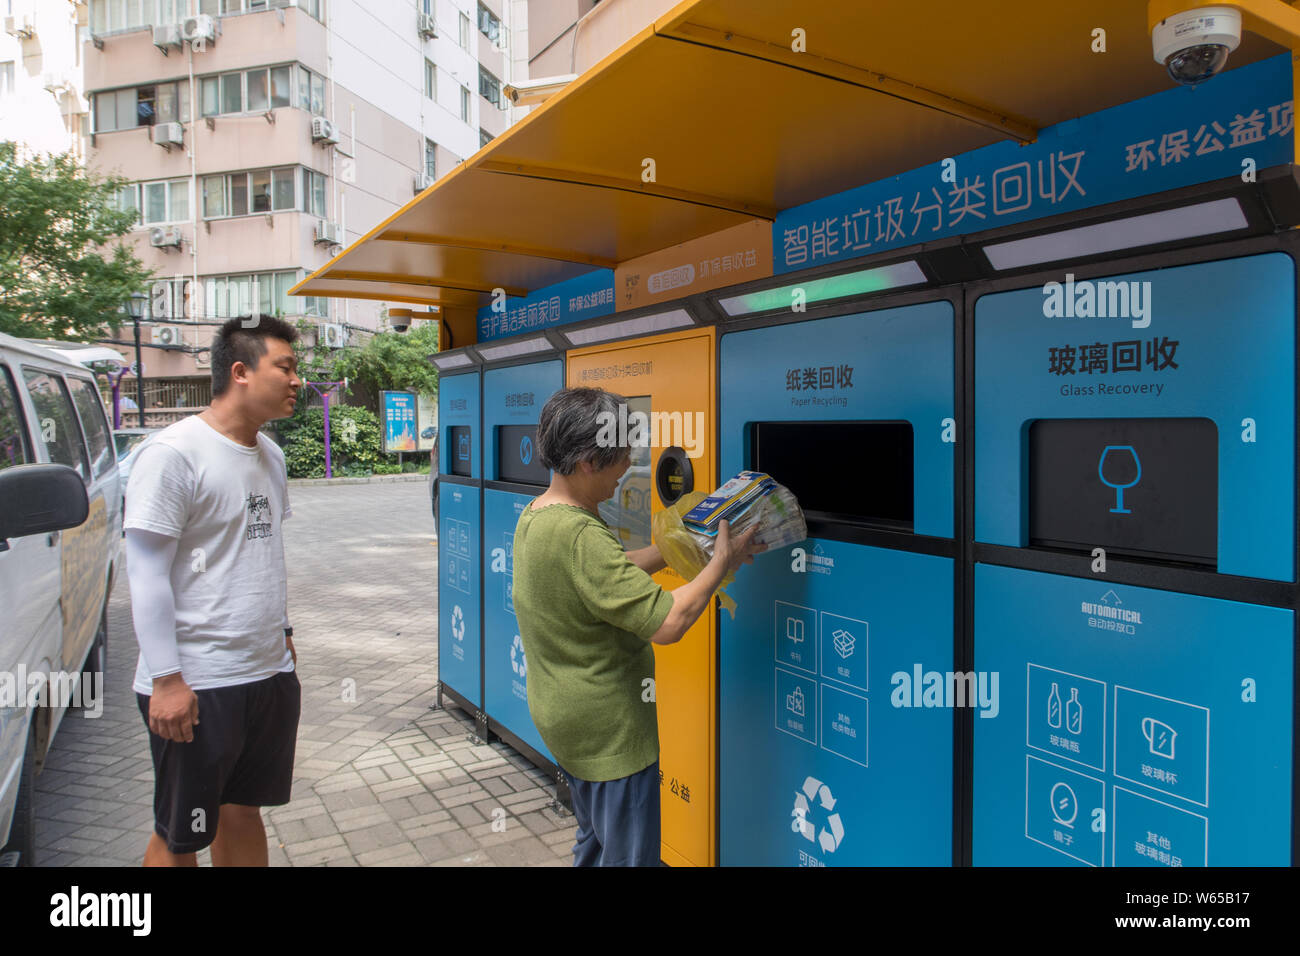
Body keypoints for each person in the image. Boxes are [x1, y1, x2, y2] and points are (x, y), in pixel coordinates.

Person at [511, 387, 759, 867]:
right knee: (629, 856)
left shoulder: (541, 515)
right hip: (611, 737)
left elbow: (607, 574)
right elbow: (669, 621)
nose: (628, 465)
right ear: (587, 460)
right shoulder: (580, 534)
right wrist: (721, 561)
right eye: (621, 455)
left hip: (567, 721)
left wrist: (675, 550)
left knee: (597, 839)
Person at [124, 315, 302, 867]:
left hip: (266, 671)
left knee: (243, 811)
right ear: (242, 371)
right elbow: (146, 573)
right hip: (197, 682)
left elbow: (261, 552)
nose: (298, 381)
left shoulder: (270, 455)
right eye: (287, 367)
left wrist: (284, 634)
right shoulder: (174, 454)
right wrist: (167, 679)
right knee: (182, 833)